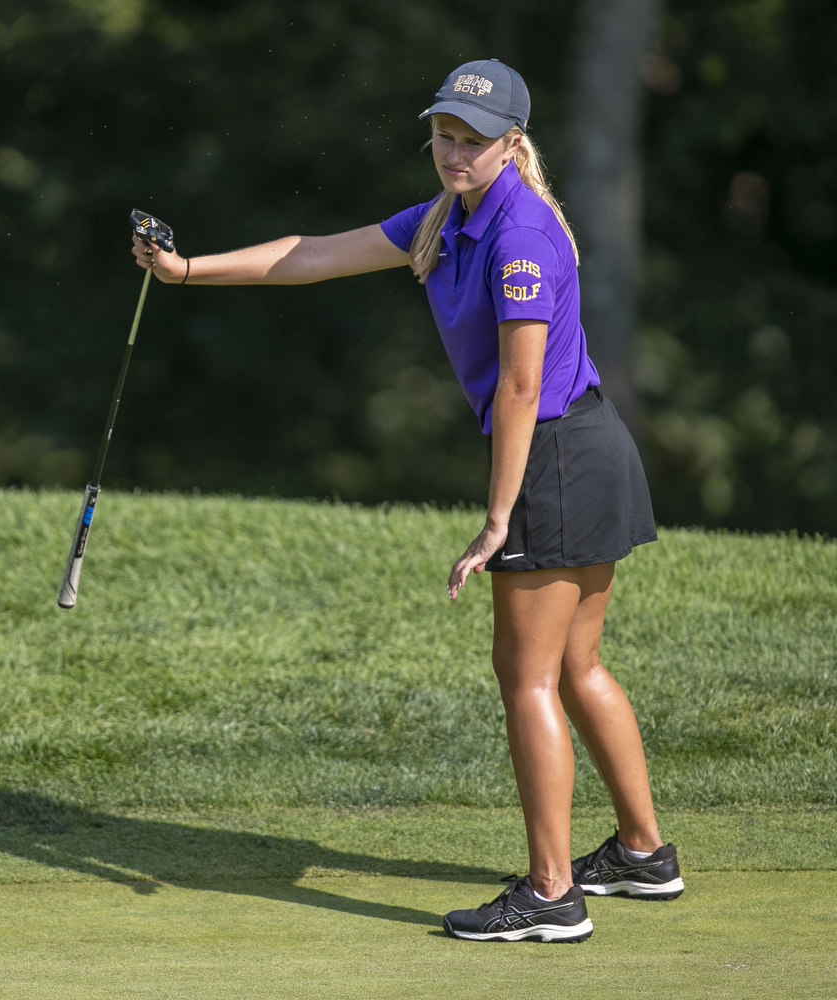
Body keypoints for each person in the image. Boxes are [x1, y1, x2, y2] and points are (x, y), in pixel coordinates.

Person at [132, 58, 683, 943]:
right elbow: (312, 253)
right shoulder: (448, 218)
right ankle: (644, 855)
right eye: (443, 136)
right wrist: (187, 268)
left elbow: (518, 384)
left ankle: (551, 896)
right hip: (582, 450)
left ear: (512, 142)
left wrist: (499, 518)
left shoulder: (521, 236)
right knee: (576, 670)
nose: (452, 153)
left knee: (529, 678)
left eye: (471, 141)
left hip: (556, 459)